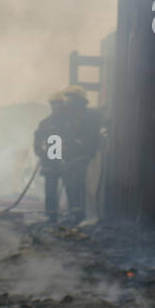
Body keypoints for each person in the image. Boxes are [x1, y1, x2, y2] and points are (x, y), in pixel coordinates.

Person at [59, 85, 100, 224]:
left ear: (78, 100)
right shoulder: (65, 117)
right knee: (70, 185)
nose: (67, 101)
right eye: (67, 98)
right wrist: (56, 159)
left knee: (79, 184)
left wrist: (84, 149)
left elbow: (92, 137)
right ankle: (73, 214)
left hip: (82, 158)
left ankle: (80, 215)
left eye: (70, 98)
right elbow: (57, 137)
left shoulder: (89, 116)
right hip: (68, 159)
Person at [33, 91, 69, 222]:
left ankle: (71, 213)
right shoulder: (45, 123)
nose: (57, 107)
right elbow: (37, 140)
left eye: (59, 105)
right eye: (54, 105)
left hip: (65, 159)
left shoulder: (68, 123)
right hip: (49, 160)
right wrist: (40, 152)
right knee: (50, 187)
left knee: (70, 188)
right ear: (51, 106)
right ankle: (51, 214)